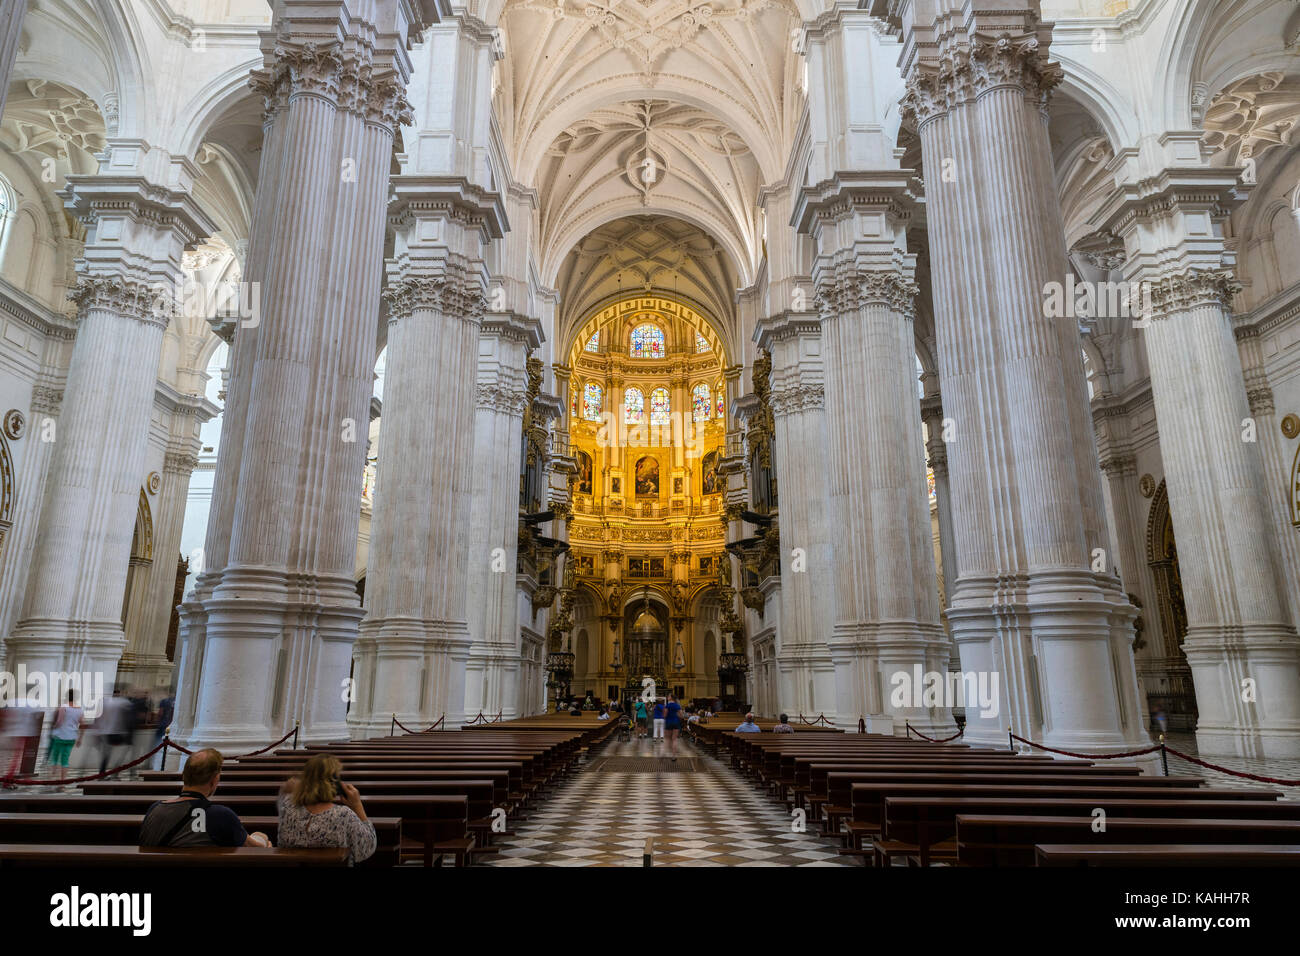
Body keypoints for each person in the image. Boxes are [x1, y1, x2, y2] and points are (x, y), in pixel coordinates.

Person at [139, 748, 271, 848]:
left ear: (184, 776)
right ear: (214, 781)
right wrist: (262, 837)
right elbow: (256, 848)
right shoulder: (221, 815)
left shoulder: (154, 809)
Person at [278, 754, 376, 865]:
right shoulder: (343, 815)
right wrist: (357, 805)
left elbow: (281, 843)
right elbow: (367, 848)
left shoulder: (288, 811)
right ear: (335, 784)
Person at [45, 689, 84, 784]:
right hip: (71, 737)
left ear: (66, 697)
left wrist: (53, 728)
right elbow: (82, 725)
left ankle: (52, 776)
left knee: (55, 757)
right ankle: (63, 782)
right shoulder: (80, 709)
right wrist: (80, 739)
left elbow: (59, 722)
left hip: (59, 736)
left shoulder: (63, 707)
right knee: (65, 760)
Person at [94, 687, 133, 775]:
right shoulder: (122, 702)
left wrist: (97, 731)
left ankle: (102, 773)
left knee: (106, 754)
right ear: (118, 693)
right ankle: (115, 771)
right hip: (118, 732)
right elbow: (130, 710)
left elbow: (97, 717)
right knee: (121, 752)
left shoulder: (104, 702)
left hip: (105, 732)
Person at [663, 693, 682, 759]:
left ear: (671, 698)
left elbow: (665, 715)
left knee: (667, 739)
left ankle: (664, 753)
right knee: (674, 740)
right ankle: (673, 756)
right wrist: (676, 715)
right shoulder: (677, 705)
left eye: (668, 696)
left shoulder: (667, 705)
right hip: (676, 722)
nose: (667, 697)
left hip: (668, 722)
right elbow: (681, 715)